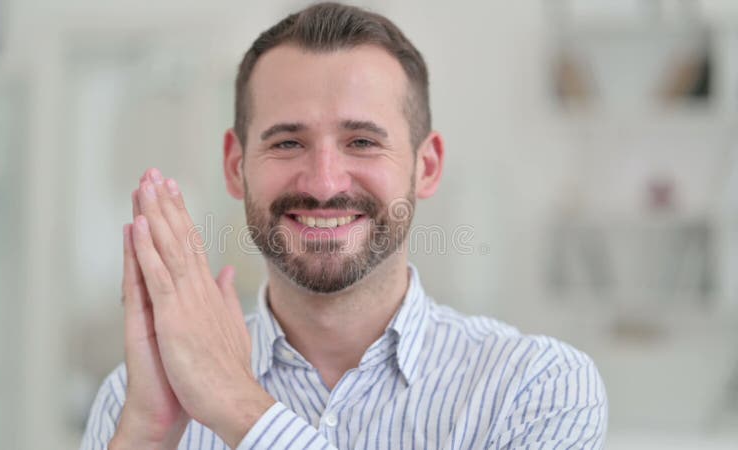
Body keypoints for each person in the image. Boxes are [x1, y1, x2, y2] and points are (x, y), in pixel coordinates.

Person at [80, 2, 607, 449]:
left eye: (362, 142)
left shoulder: (537, 388)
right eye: (288, 142)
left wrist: (237, 406)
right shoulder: (138, 401)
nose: (324, 183)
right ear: (235, 166)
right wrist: (148, 435)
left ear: (426, 167)